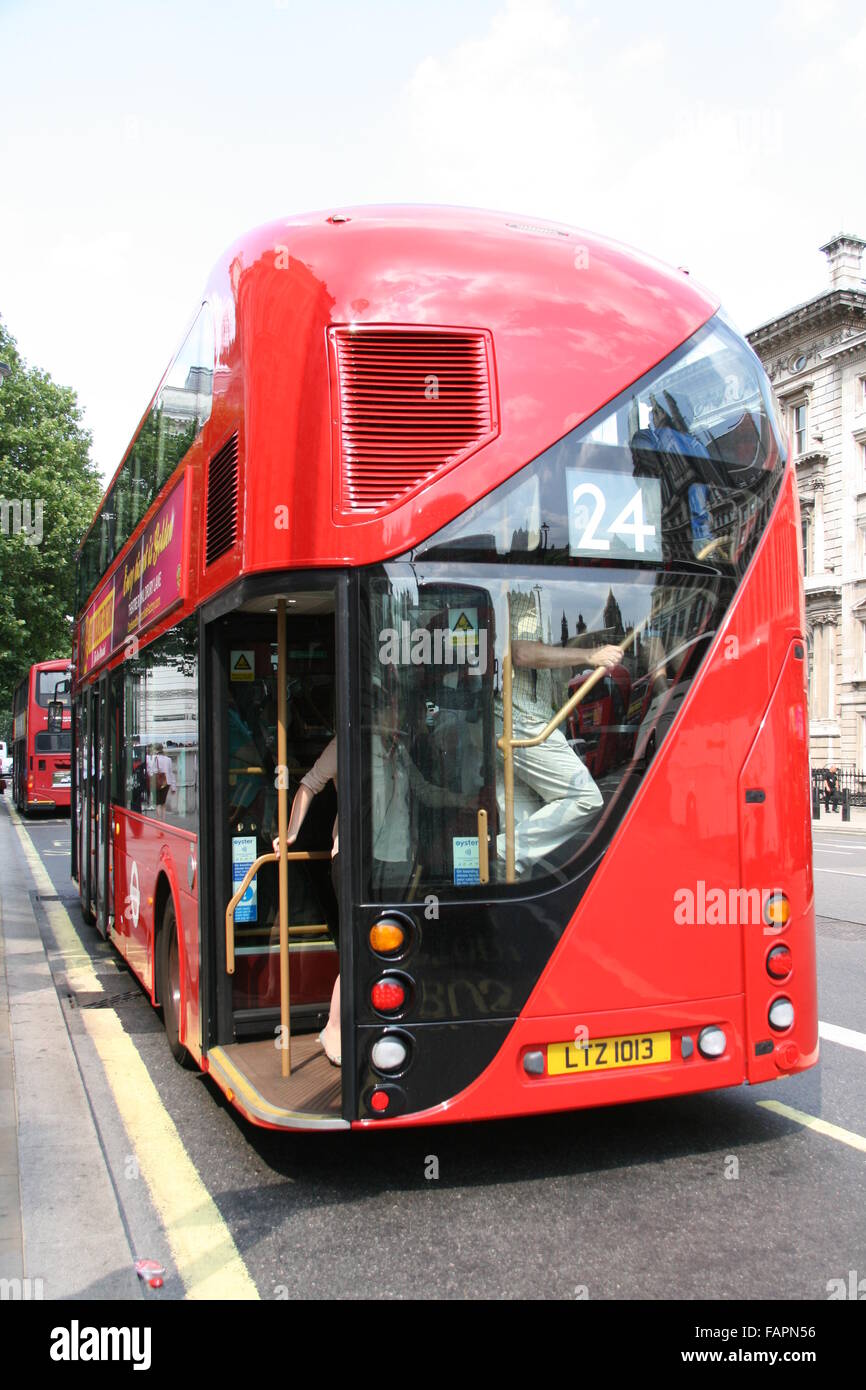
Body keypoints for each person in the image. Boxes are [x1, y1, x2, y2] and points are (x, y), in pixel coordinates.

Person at [497, 590, 623, 875]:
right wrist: (590, 655)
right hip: (521, 720)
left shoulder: (536, 598)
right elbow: (523, 652)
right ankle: (498, 851)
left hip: (511, 724)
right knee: (585, 797)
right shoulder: (526, 593)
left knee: (522, 844)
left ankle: (505, 867)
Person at [273, 737, 341, 1065]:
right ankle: (334, 1027)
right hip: (351, 859)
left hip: (389, 859)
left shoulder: (396, 743)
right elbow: (310, 783)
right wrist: (290, 834)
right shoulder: (345, 741)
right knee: (355, 950)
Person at [147, 743, 176, 821]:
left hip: (157, 782)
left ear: (156, 750)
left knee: (157, 803)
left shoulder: (154, 759)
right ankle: (163, 820)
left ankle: (158, 819)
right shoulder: (168, 759)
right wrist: (173, 787)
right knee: (163, 803)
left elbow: (151, 771)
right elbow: (171, 773)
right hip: (166, 782)